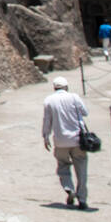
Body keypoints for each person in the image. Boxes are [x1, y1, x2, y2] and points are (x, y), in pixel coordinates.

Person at [42, 76, 90, 209]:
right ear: (66, 87)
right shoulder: (74, 97)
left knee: (63, 166)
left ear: (54, 88)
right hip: (77, 139)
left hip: (60, 140)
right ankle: (82, 199)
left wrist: (45, 137)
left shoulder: (49, 100)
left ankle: (69, 189)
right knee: (81, 169)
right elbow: (85, 112)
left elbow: (47, 121)